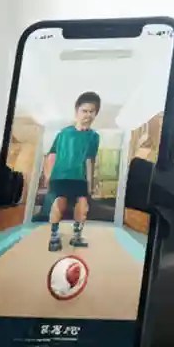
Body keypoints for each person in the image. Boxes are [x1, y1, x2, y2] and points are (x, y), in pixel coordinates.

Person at [41, 91, 102, 252]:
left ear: (95, 114)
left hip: (80, 177)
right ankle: (54, 235)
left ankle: (76, 235)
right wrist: (48, 176)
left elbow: (90, 160)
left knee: (83, 207)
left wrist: (90, 184)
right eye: (84, 111)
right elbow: (52, 155)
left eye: (92, 111)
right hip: (60, 176)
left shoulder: (94, 136)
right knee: (59, 204)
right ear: (77, 111)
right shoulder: (63, 133)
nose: (88, 115)